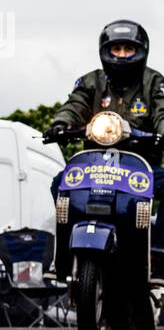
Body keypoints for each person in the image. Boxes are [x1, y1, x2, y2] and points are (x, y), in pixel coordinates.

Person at [46, 21, 164, 211]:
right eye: (117, 49)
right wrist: (60, 124)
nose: (123, 55)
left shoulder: (154, 82)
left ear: (141, 50)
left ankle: (158, 240)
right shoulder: (91, 82)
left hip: (142, 167)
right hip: (95, 167)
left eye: (129, 49)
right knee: (60, 183)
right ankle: (68, 238)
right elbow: (75, 105)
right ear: (105, 51)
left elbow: (162, 111)